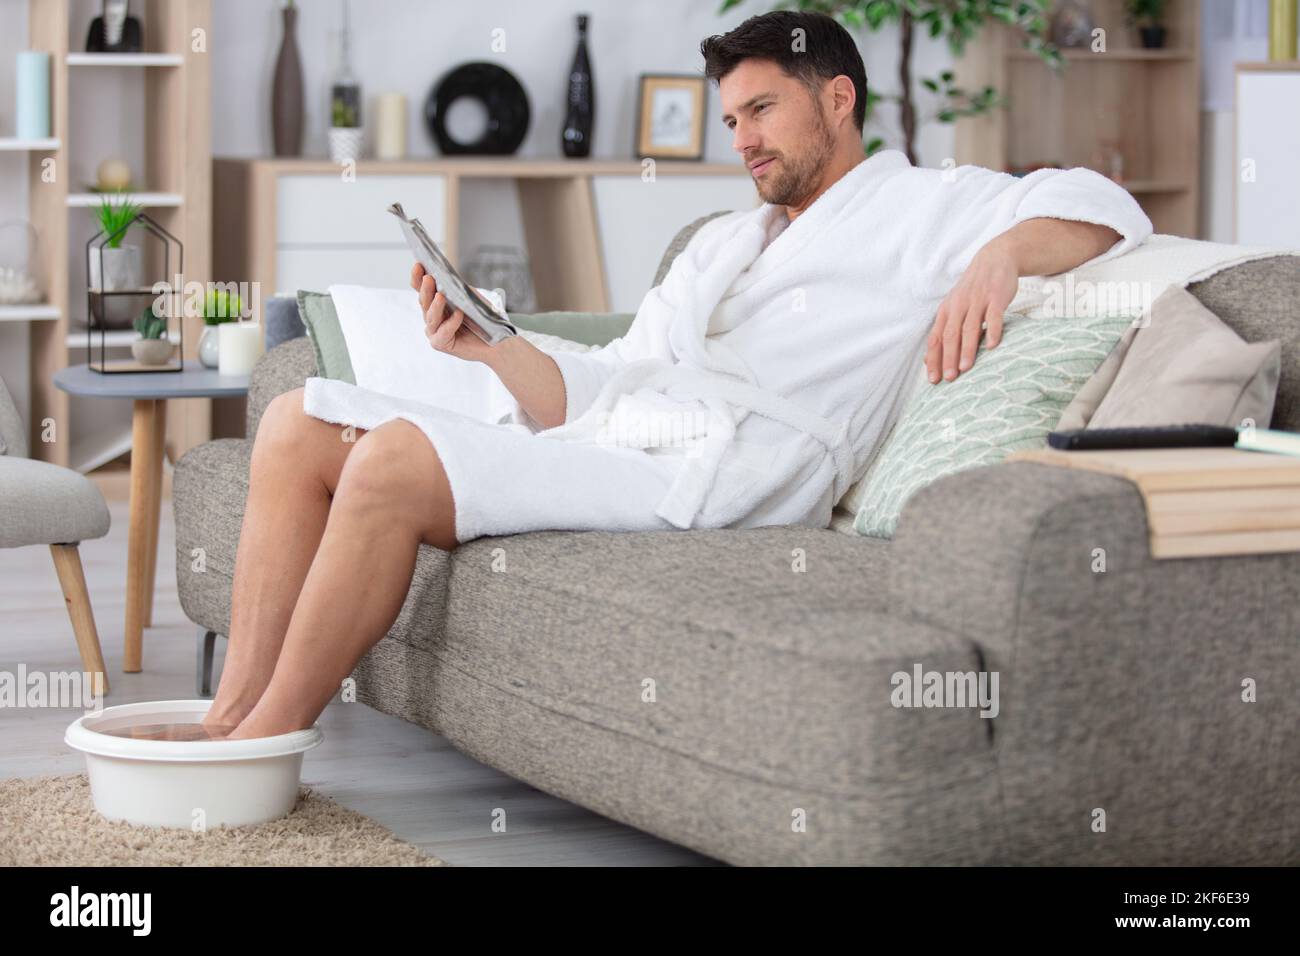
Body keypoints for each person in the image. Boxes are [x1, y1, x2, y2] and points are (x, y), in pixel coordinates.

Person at [207, 10, 1151, 740]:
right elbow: (609, 379)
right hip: (636, 434)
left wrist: (1001, 259)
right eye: (732, 118)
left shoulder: (920, 208)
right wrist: (490, 343)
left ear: (837, 99)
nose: (742, 138)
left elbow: (1101, 202)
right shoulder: (725, 242)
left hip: (733, 471)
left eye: (762, 110)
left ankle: (265, 744)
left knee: (390, 464)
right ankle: (225, 716)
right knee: (296, 419)